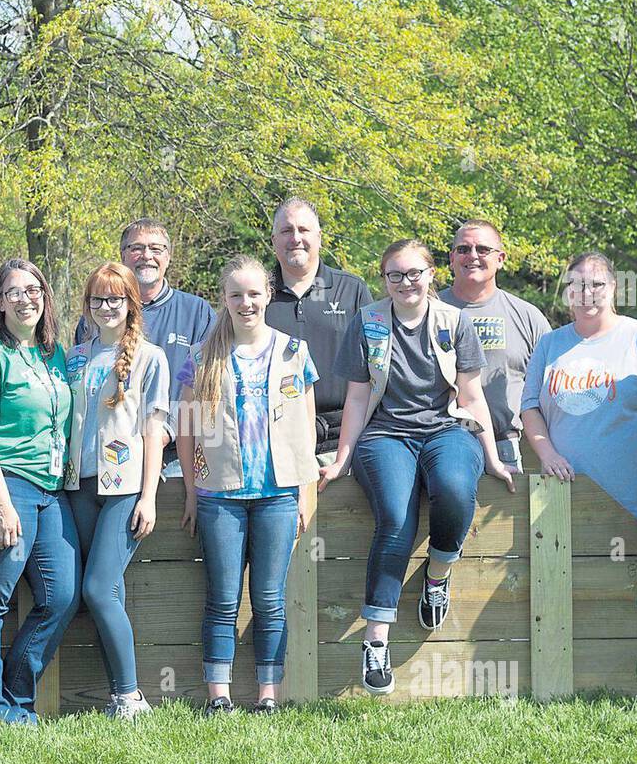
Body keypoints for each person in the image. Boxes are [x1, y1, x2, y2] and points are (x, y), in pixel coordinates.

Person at [321, 240, 515, 696]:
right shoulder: (367, 322)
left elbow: (470, 396)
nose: (405, 283)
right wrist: (342, 456)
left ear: (431, 275)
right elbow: (356, 396)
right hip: (386, 433)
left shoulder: (454, 321)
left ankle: (437, 574)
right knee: (395, 515)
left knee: (452, 487)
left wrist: (492, 456)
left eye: (414, 273)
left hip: (446, 427)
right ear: (383, 279)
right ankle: (376, 640)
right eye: (395, 275)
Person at [177, 254, 319, 715]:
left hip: (278, 493)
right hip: (221, 495)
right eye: (236, 294)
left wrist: (306, 492)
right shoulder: (201, 357)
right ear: (224, 299)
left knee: (269, 598)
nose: (246, 302)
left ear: (268, 295)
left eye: (254, 293)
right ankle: (218, 696)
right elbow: (187, 429)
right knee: (222, 596)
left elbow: (305, 425)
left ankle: (267, 696)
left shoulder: (294, 352)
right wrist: (193, 492)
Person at [0, 258, 82, 725]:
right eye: (14, 292)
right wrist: (2, 504)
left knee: (63, 595)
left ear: (45, 298)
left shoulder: (54, 355)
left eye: (34, 290)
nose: (25, 298)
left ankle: (16, 698)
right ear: (0, 303)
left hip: (49, 489)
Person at [65, 262, 170, 720]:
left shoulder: (151, 357)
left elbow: (154, 430)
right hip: (77, 484)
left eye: (115, 299)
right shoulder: (74, 356)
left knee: (97, 587)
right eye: (97, 300)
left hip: (124, 487)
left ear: (132, 303)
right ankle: (117, 693)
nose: (106, 308)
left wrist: (148, 496)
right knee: (108, 590)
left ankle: (131, 697)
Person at [521, 252, 637, 520]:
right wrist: (547, 455)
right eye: (578, 285)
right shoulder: (549, 344)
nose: (587, 293)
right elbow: (529, 406)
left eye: (597, 284)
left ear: (614, 287)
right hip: (561, 490)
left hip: (628, 497)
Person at [75, 218, 213, 476]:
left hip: (175, 458)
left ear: (169, 257)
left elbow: (207, 386)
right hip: (110, 456)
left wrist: (166, 431)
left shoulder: (197, 312)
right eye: (136, 248)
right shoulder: (96, 316)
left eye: (156, 249)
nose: (146, 256)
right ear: (122, 256)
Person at [439, 219, 552, 472]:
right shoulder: (429, 310)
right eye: (463, 249)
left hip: (506, 446)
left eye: (483, 249)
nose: (473, 256)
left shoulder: (528, 317)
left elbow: (550, 389)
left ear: (501, 258)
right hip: (440, 443)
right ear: (451, 258)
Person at [266, 196, 374, 460]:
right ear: (273, 241)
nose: (295, 238)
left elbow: (378, 365)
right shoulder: (256, 294)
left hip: (344, 439)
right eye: (286, 230)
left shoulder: (352, 290)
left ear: (319, 237)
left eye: (303, 230)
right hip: (272, 439)